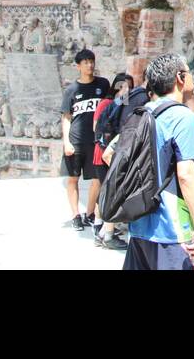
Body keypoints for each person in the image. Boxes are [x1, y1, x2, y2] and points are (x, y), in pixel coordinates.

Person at [124, 53, 194, 271]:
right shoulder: (182, 116)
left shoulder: (141, 113)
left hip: (139, 222)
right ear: (180, 78)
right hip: (171, 226)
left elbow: (112, 154)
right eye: (188, 72)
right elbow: (186, 174)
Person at [61, 49, 111, 231]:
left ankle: (90, 213)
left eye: (92, 61)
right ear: (78, 66)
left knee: (97, 178)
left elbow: (111, 105)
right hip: (76, 140)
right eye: (85, 62)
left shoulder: (103, 84)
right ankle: (75, 215)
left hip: (96, 141)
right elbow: (66, 117)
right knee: (73, 178)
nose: (90, 65)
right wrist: (66, 142)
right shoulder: (71, 90)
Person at [93, 73, 130, 250]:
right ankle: (103, 229)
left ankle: (101, 230)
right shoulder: (108, 104)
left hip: (108, 153)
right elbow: (97, 128)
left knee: (107, 191)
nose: (127, 90)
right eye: (123, 86)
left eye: (129, 87)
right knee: (109, 192)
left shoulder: (122, 105)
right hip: (103, 154)